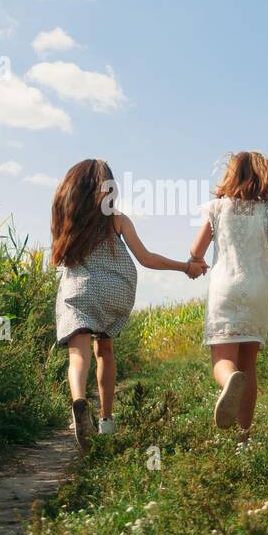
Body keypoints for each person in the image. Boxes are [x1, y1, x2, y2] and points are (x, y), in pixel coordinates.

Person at [52, 159, 207, 449]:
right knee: (105, 352)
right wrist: (186, 267)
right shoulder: (117, 219)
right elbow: (147, 259)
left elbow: (61, 258)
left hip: (79, 292)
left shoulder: (66, 217)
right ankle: (106, 420)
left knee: (78, 354)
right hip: (114, 292)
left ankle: (78, 402)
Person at [190, 152, 268, 441]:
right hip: (258, 289)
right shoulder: (267, 212)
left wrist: (195, 263)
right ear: (263, 178)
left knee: (222, 358)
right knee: (249, 365)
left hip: (224, 288)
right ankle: (244, 436)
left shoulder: (217, 209)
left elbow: (196, 252)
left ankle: (229, 380)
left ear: (230, 175)